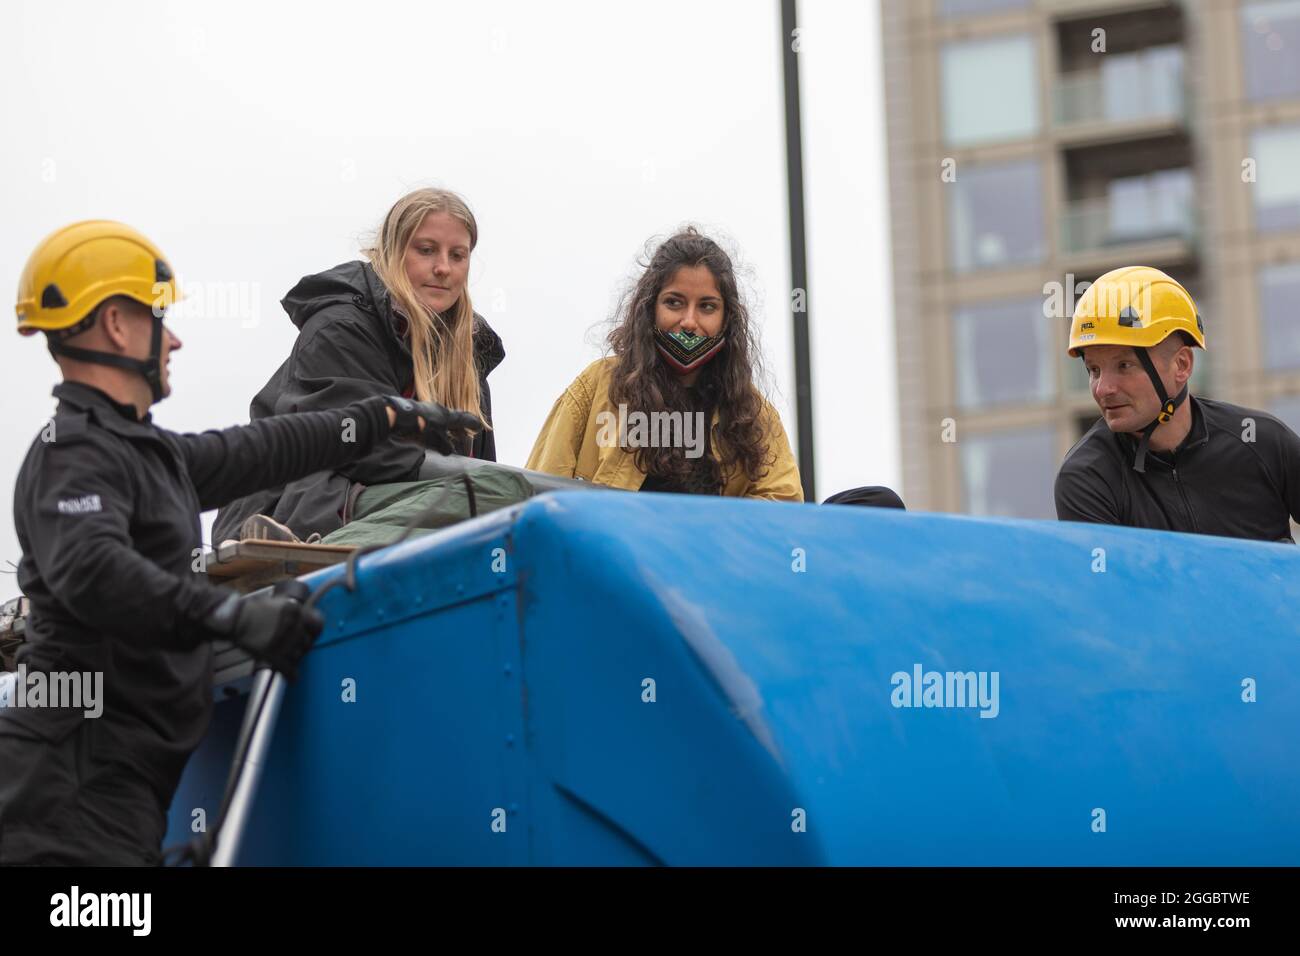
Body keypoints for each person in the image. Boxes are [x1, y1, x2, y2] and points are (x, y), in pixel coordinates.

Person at [1, 220, 479, 865]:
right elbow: (95, 571)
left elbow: (262, 449)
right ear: (116, 324)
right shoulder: (74, 453)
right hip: (63, 788)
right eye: (158, 318)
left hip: (115, 788)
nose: (172, 339)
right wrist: (230, 614)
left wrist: (383, 418)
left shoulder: (146, 453)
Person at [213, 187, 505, 544]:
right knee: (474, 498)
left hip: (407, 499)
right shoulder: (340, 327)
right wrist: (473, 483)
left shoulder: (466, 360)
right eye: (426, 250)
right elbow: (356, 447)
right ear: (393, 253)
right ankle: (286, 541)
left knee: (499, 506)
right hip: (302, 497)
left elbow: (484, 470)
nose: (443, 268)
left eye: (457, 255)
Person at [526, 228, 802, 501]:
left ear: (727, 318)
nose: (689, 322)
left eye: (707, 306)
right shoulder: (596, 387)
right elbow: (537, 496)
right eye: (674, 303)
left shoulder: (753, 414)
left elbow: (782, 513)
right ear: (650, 308)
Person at [1055, 265, 1300, 541]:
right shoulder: (1088, 477)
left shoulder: (1261, 441)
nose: (1103, 388)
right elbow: (1107, 581)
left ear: (1181, 365)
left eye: (1124, 365)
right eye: (1094, 370)